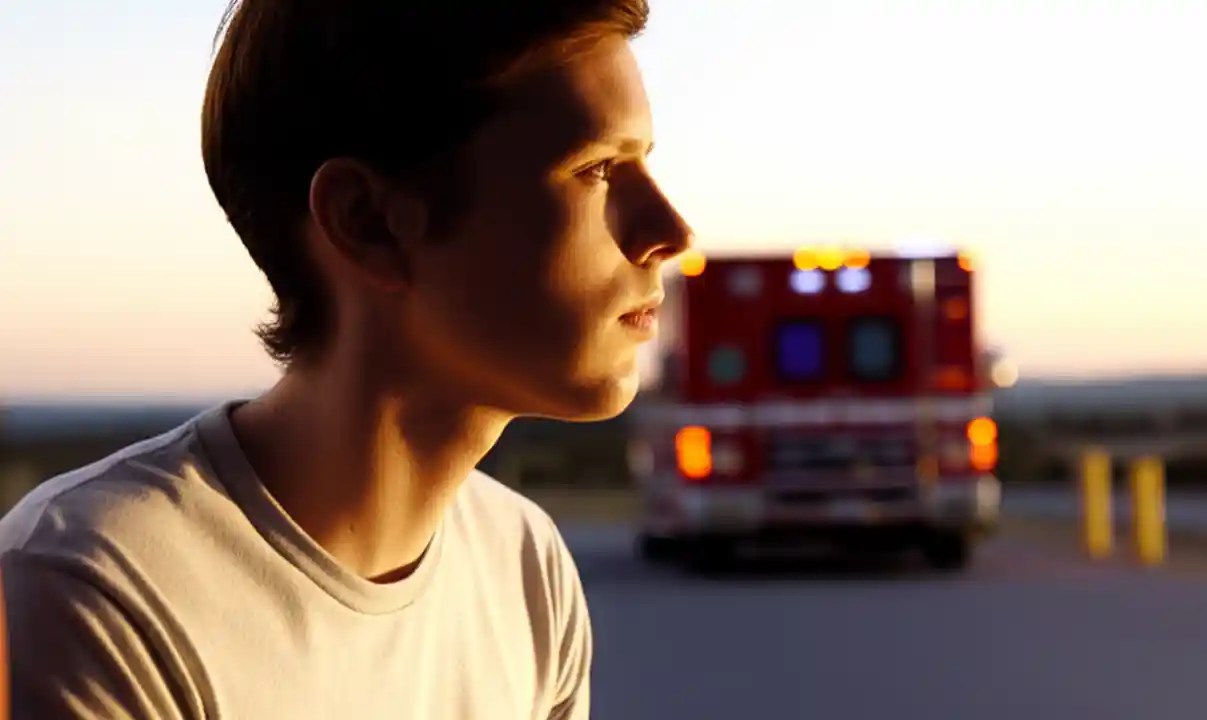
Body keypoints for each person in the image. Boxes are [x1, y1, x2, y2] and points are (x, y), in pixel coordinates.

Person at [0, 0, 692, 716]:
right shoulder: (97, 594)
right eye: (599, 169)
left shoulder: (523, 566)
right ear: (367, 223)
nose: (670, 230)